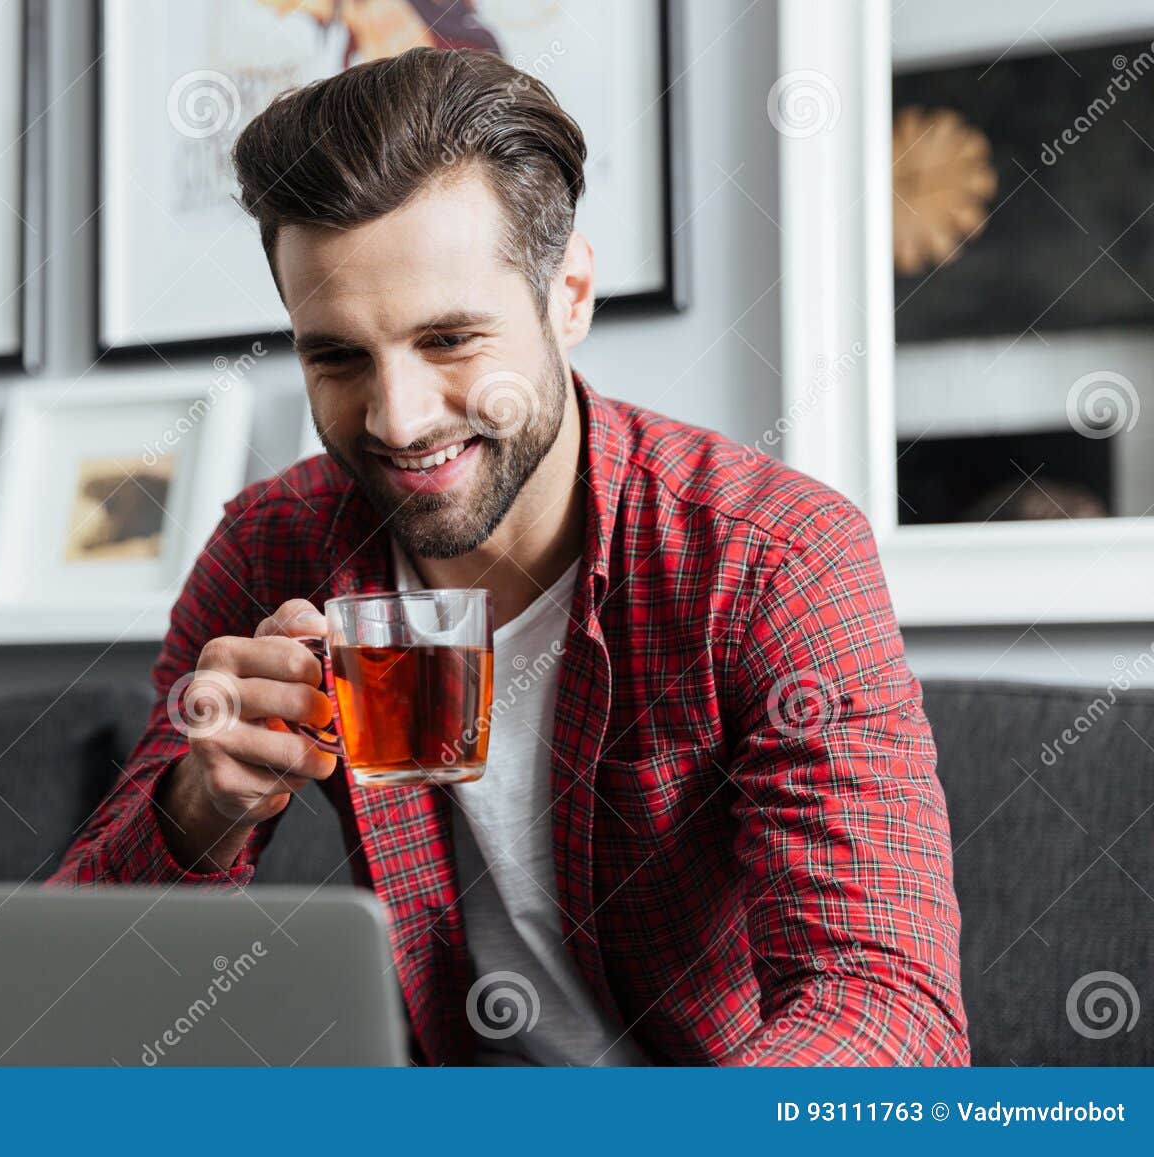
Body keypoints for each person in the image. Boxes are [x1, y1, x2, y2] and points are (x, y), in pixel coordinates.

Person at [52, 47, 968, 1068]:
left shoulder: (768, 561)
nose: (396, 419)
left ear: (567, 293)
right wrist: (202, 802)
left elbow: (888, 1012)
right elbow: (74, 983)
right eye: (337, 356)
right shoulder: (274, 548)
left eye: (448, 340)